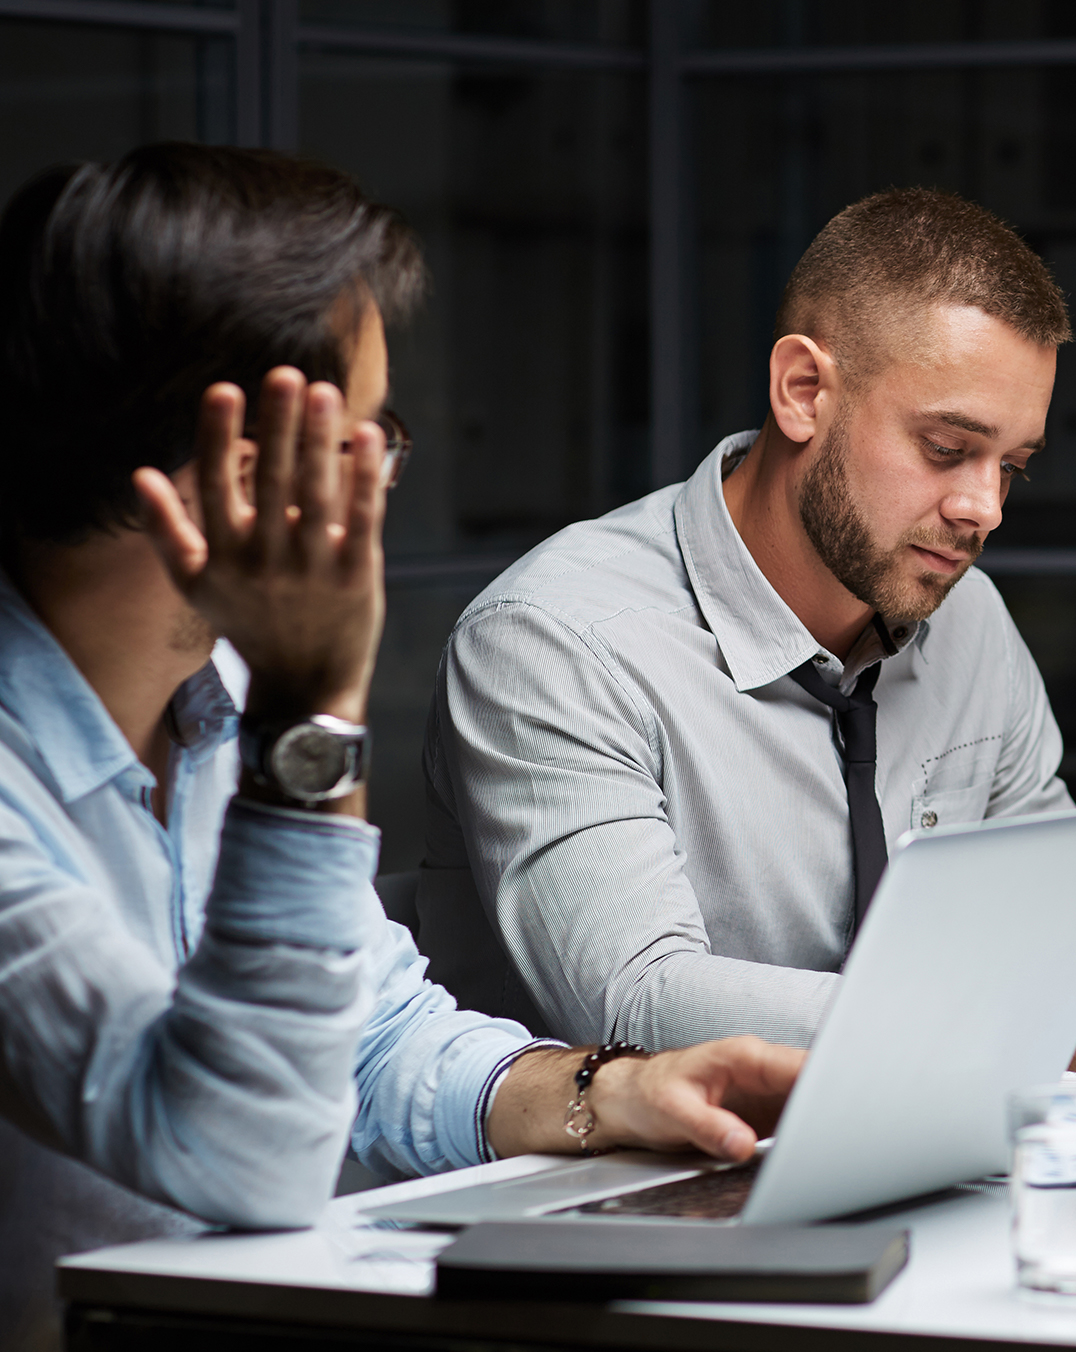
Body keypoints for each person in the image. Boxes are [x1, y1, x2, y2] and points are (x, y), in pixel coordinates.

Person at [0, 145, 801, 1351]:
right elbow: (242, 1146)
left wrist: (611, 1090)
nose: (380, 470)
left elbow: (369, 1031)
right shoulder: (249, 719)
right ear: (232, 468)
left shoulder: (217, 700)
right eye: (363, 434)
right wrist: (311, 707)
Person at [416, 188, 1076, 1078]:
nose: (982, 510)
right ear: (801, 391)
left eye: (1012, 467)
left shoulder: (962, 612)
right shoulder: (553, 640)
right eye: (947, 449)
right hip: (601, 1204)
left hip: (909, 1164)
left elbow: (1057, 894)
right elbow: (633, 1001)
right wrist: (1031, 1018)